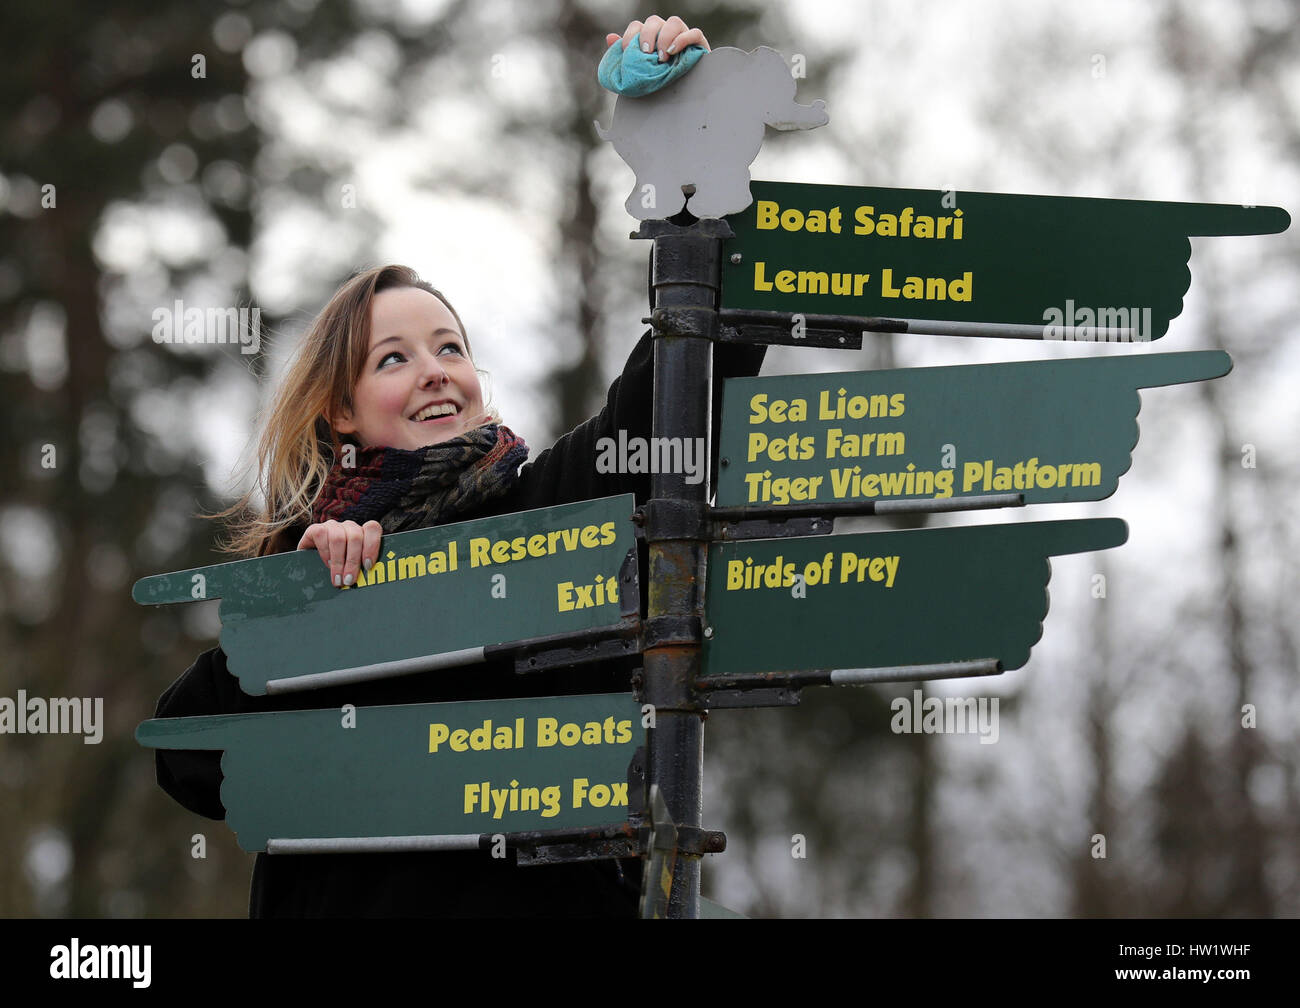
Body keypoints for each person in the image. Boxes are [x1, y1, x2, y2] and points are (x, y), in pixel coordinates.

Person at [153, 16, 764, 917]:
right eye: (393, 358)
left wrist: (694, 158)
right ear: (340, 411)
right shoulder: (304, 581)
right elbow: (187, 753)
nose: (436, 369)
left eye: (450, 346)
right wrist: (320, 616)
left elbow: (680, 390)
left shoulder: (549, 513)